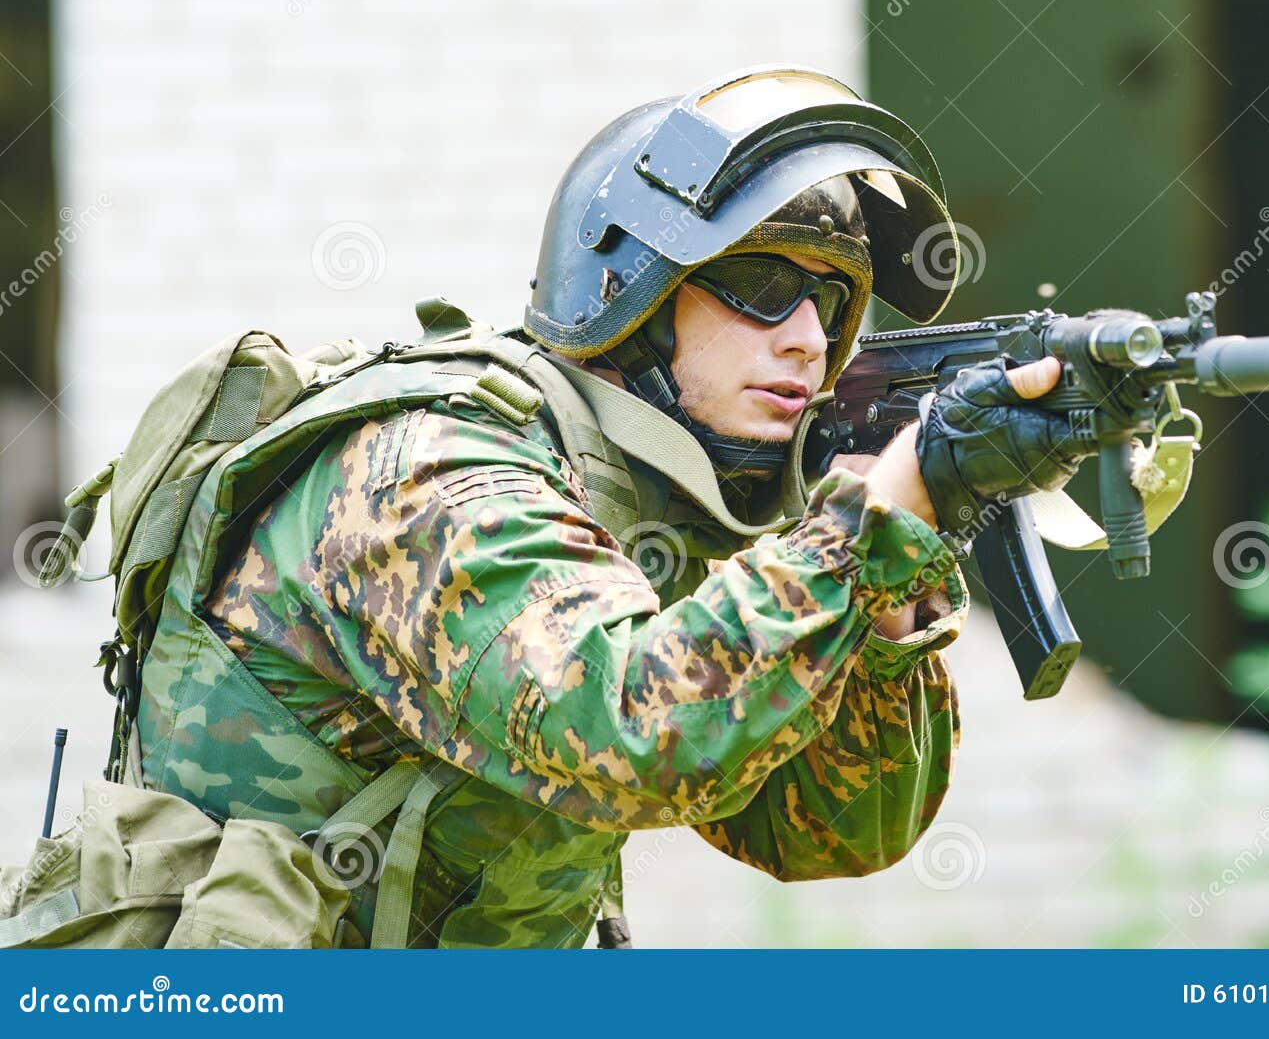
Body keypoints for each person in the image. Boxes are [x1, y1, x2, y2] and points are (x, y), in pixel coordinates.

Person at [132, 66, 1084, 947]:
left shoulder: (650, 505)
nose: (807, 338)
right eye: (763, 285)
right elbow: (633, 728)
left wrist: (889, 586)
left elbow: (831, 828)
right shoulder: (435, 472)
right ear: (634, 290)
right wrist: (870, 522)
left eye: (834, 304)